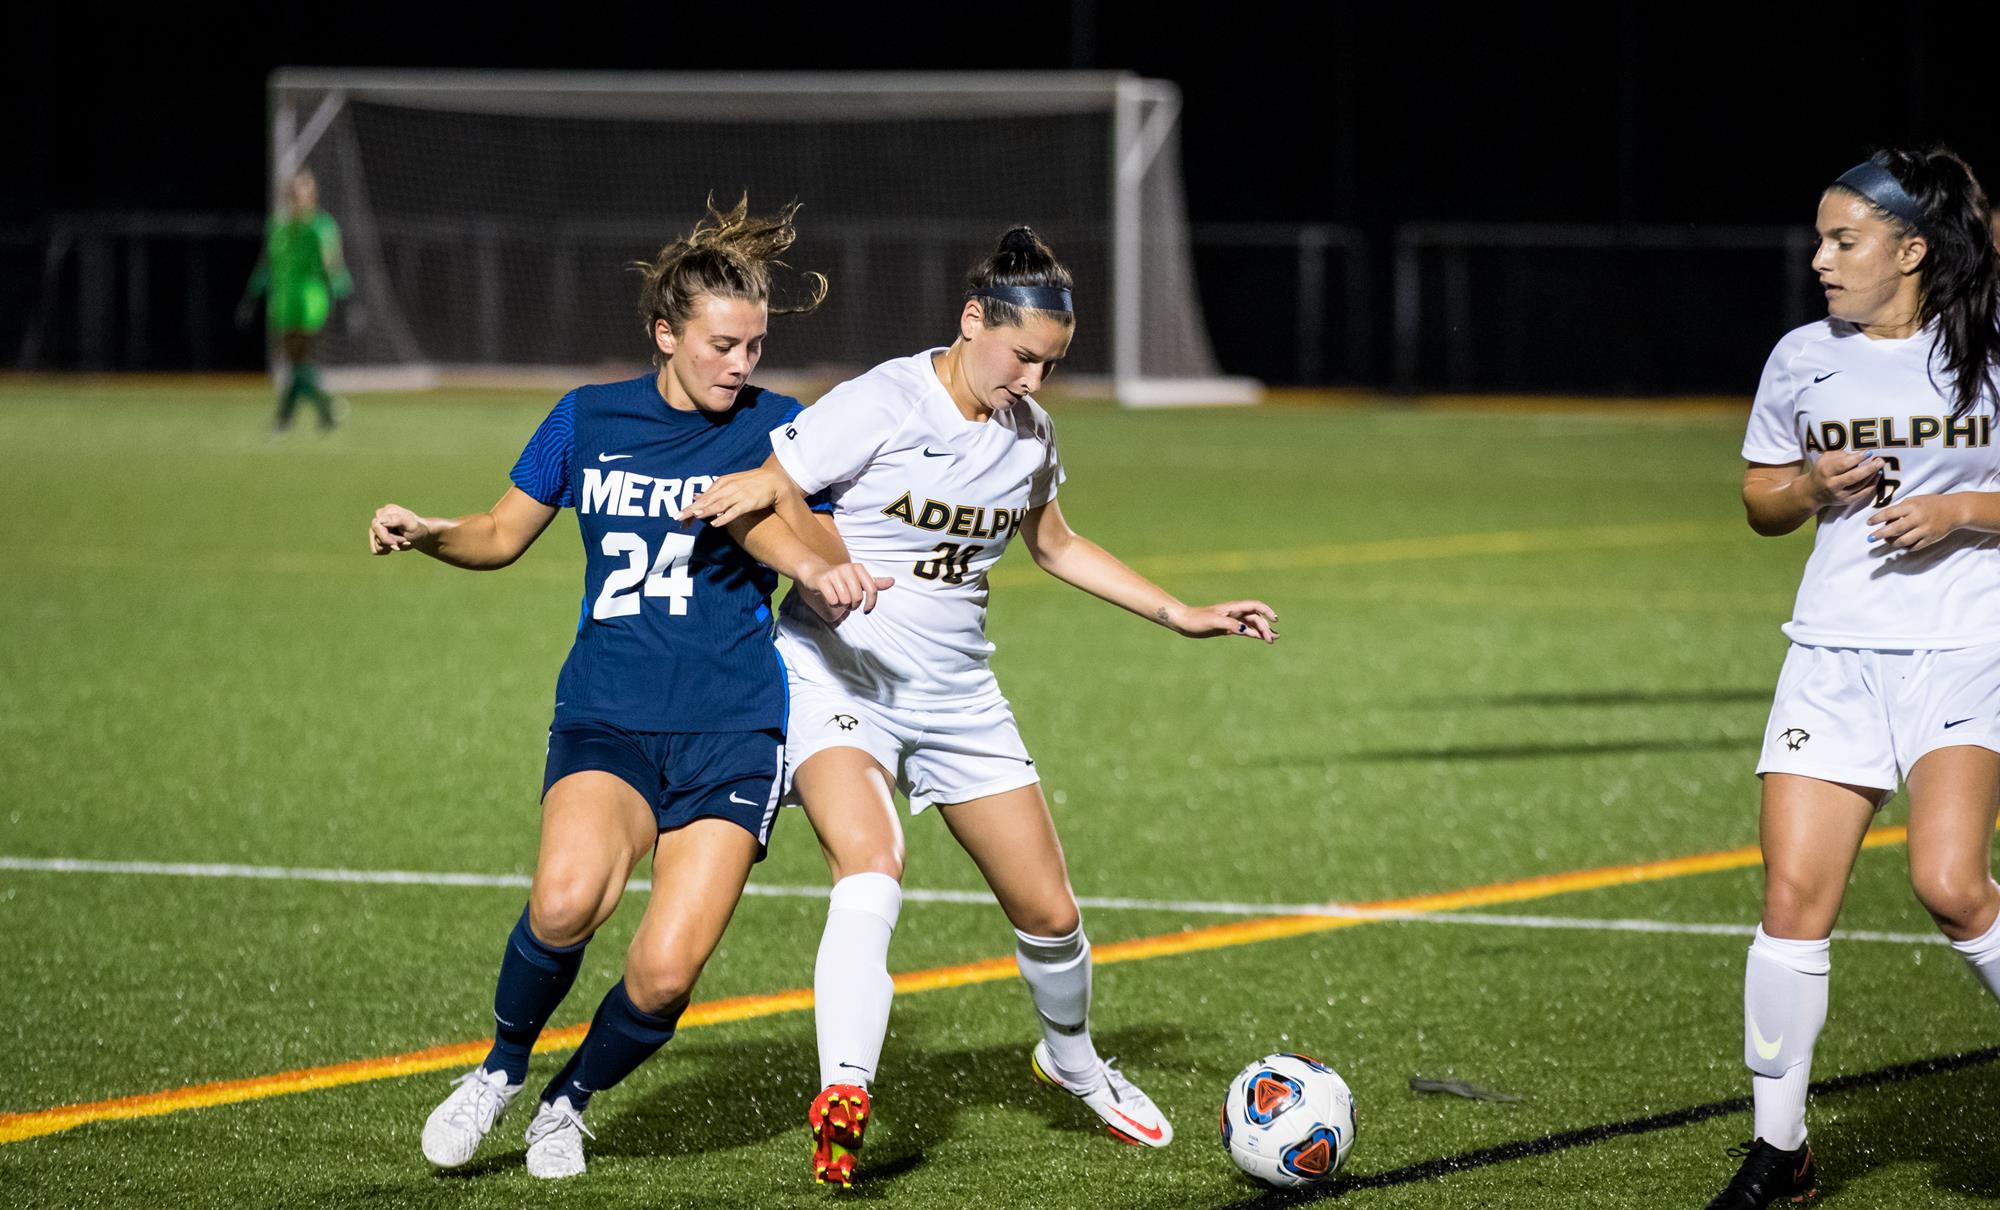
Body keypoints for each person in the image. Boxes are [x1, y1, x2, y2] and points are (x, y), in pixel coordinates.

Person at [682, 227, 1280, 1186]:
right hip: (840, 678)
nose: (1035, 380)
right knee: (871, 862)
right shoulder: (881, 401)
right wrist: (762, 520)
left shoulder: (1028, 433)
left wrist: (1181, 613)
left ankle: (1072, 1061)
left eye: (1051, 363)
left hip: (959, 698)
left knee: (1050, 914)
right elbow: (769, 486)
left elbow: (1058, 546)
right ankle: (845, 1091)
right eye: (1023, 356)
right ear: (973, 321)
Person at [368, 198, 888, 1180]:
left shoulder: (784, 430)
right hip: (607, 711)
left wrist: (777, 498)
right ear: (664, 333)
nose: (741, 364)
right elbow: (498, 533)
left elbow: (826, 554)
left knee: (663, 971)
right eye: (722, 344)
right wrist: (430, 530)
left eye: (754, 345)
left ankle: (569, 1099)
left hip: (734, 730)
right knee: (564, 902)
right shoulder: (586, 416)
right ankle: (500, 1069)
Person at [1718, 147, 2000, 1209]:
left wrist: (1960, 509)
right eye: (1819, 238)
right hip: (1830, 650)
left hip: (1963, 645)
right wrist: (1802, 481)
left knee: (1947, 884)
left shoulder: (1987, 350)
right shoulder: (1802, 356)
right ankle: (1777, 1151)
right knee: (1790, 900)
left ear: (1911, 249)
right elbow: (1757, 500)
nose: (1819, 259)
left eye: (1844, 240)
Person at [240, 170, 352, 432]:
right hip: (283, 301)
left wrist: (346, 296)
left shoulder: (321, 225)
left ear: (311, 192)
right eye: (294, 188)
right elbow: (267, 264)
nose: (298, 193)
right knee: (297, 361)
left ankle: (320, 405)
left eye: (303, 188)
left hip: (310, 300)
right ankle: (303, 416)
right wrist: (252, 295)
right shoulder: (278, 226)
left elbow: (333, 265)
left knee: (298, 358)